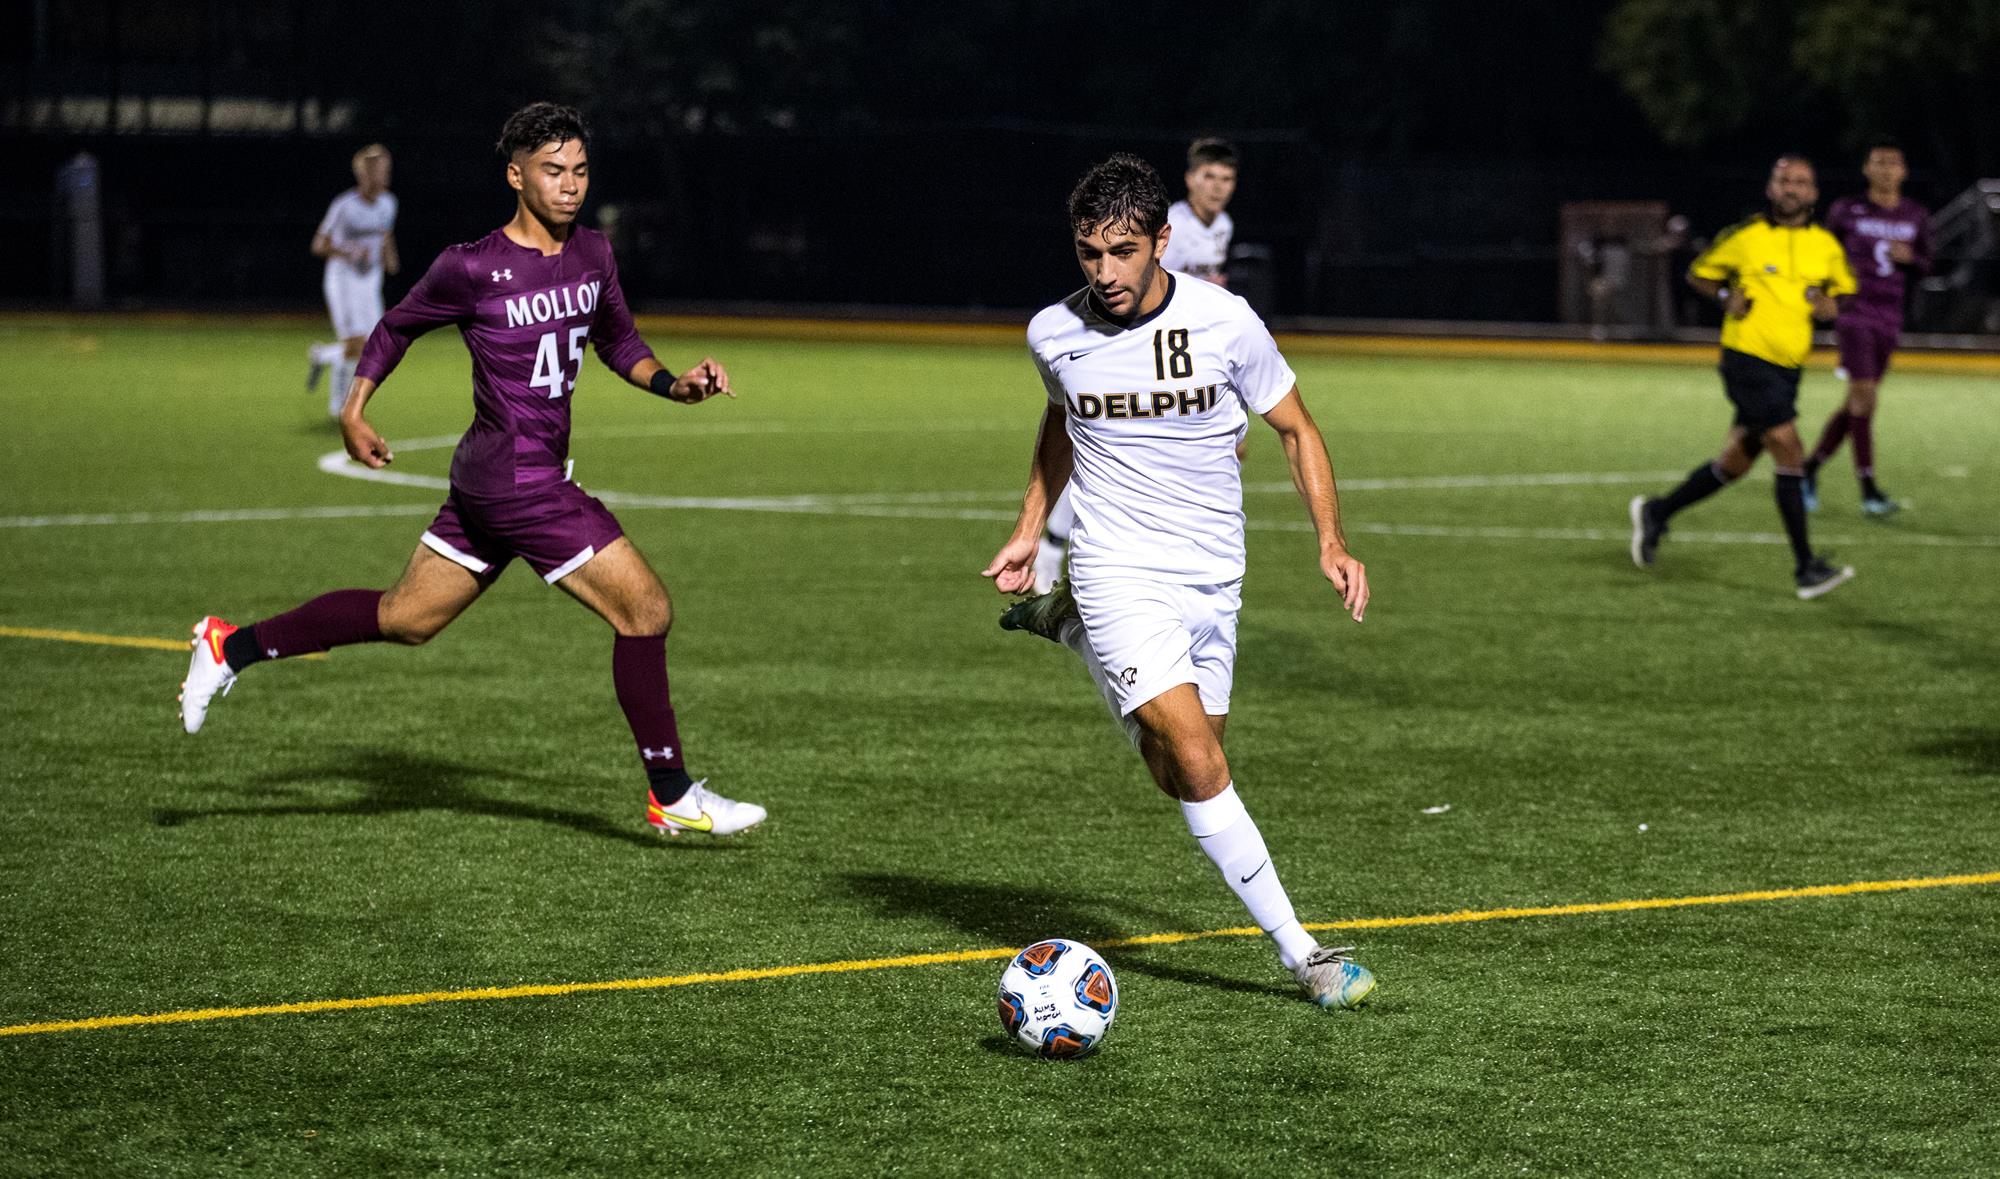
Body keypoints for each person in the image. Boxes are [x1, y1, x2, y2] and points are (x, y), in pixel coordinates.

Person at [181, 102, 766, 838]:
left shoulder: (594, 254)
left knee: (406, 618)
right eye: (554, 170)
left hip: (494, 479)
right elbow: (396, 326)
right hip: (520, 483)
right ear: (516, 174)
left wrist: (674, 383)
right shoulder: (472, 265)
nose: (571, 185)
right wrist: (353, 408)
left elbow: (619, 342)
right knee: (644, 609)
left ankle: (227, 645)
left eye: (581, 170)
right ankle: (672, 791)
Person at [983, 153, 1377, 1011]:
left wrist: (1332, 542)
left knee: (1183, 768)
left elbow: (1297, 430)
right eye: (1089, 252)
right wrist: (1028, 529)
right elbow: (1060, 422)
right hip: (1119, 566)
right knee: (1200, 765)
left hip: (1213, 575)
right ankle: (1303, 951)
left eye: (1122, 250)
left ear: (1163, 240)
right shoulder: (1053, 331)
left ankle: (1070, 625)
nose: (1105, 272)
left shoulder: (1227, 322)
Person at [1629, 155, 1858, 600]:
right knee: (1789, 448)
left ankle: (1658, 511)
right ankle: (1805, 568)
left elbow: (1843, 292)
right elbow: (1698, 274)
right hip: (1746, 359)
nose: (1791, 188)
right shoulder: (1744, 237)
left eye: (1800, 183)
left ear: (1812, 194)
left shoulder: (1826, 246)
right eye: (1783, 180)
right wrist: (1723, 295)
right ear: (1771, 189)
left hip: (1789, 366)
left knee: (1735, 462)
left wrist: (1832, 307)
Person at [1034, 138, 1242, 592]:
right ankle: (1053, 543)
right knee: (1106, 450)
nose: (1217, 188)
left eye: (1226, 179)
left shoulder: (1221, 225)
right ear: (1190, 180)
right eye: (1209, 177)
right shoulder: (1175, 227)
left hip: (1183, 351)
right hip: (1140, 346)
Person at [1805, 144, 1933, 517]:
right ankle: (1870, 491)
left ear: (1904, 172)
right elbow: (1824, 253)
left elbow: (1926, 263)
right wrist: (1820, 295)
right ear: (1866, 169)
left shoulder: (1916, 215)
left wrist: (1911, 259)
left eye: (1893, 163)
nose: (1886, 169)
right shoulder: (1847, 210)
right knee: (1864, 397)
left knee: (1858, 403)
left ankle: (1809, 470)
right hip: (1854, 313)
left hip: (1890, 316)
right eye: (1879, 163)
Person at [309, 144, 400, 418]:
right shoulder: (344, 206)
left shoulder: (388, 203)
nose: (382, 176)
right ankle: (339, 405)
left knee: (372, 347)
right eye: (376, 171)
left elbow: (385, 235)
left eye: (385, 170)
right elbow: (319, 244)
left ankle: (322, 356)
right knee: (354, 344)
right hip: (343, 278)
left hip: (370, 280)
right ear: (362, 174)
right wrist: (348, 251)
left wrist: (390, 259)